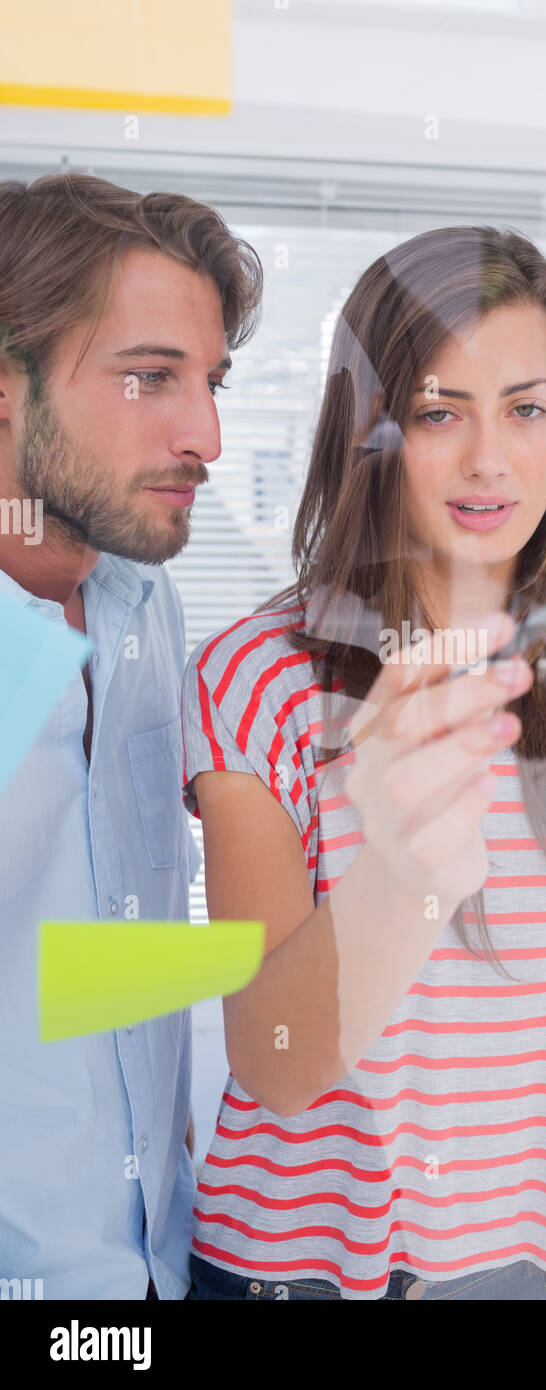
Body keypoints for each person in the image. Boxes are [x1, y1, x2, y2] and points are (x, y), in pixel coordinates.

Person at [181, 224, 546, 1301]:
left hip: (538, 1259)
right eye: (435, 411)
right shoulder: (253, 675)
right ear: (367, 430)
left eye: (524, 407)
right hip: (299, 1266)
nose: (487, 461)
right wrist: (408, 880)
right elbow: (275, 1060)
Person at [0, 171, 262, 1299]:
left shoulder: (146, 610)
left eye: (210, 381)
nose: (202, 433)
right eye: (148, 376)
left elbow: (93, 953)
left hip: (164, 1262)